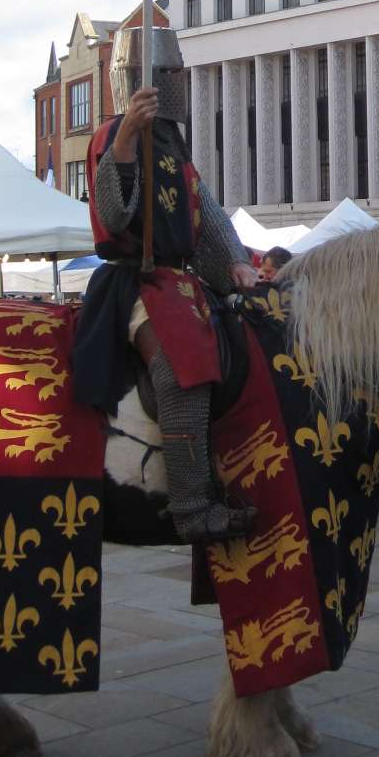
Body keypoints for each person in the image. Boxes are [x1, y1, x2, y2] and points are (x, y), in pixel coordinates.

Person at [73, 28, 258, 543]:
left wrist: (237, 263)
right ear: (130, 81)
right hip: (139, 281)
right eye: (159, 75)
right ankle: (192, 508)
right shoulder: (111, 137)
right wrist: (128, 133)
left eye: (174, 74)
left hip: (186, 283)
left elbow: (208, 215)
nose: (169, 83)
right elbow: (112, 212)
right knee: (183, 373)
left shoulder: (175, 146)